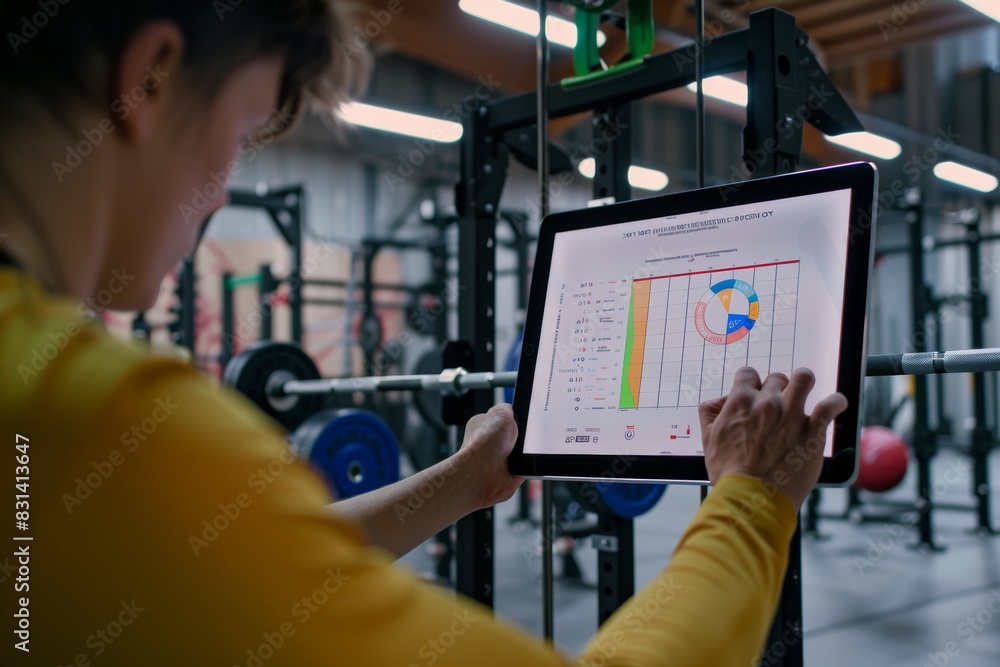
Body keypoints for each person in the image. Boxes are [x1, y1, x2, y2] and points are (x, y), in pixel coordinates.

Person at [0, 2, 847, 664]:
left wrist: (461, 482)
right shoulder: (93, 420)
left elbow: (225, 563)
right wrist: (753, 499)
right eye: (243, 132)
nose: (225, 182)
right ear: (149, 79)